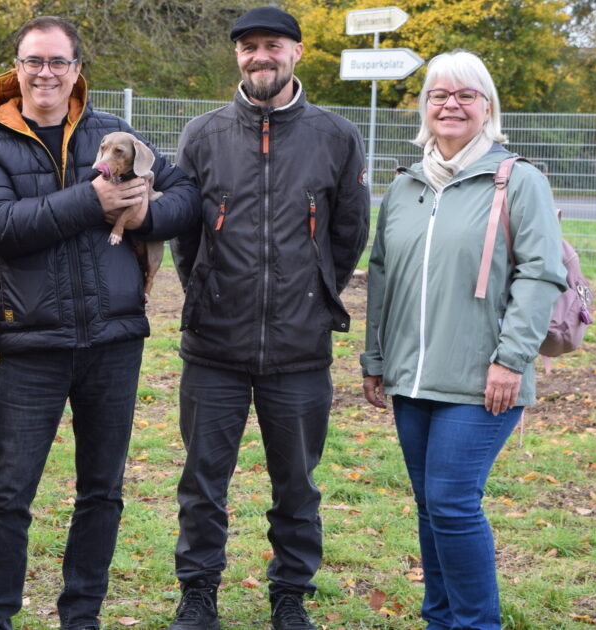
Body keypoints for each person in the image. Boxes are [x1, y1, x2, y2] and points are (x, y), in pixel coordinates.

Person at [0, 15, 199, 630]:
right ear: (17, 68)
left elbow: (187, 197)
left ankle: (81, 616)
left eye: (58, 62)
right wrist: (91, 201)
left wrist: (142, 217)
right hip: (32, 343)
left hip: (114, 341)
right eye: (33, 61)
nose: (45, 73)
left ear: (75, 71)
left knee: (102, 491)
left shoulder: (111, 131)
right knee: (9, 493)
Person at [167, 6, 370, 629]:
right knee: (202, 485)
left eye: (273, 46)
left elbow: (348, 233)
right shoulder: (201, 135)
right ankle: (198, 593)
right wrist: (211, 294)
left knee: (297, 486)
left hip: (299, 351)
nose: (261, 56)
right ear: (237, 56)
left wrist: (310, 294)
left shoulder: (335, 136)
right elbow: (184, 236)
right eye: (249, 47)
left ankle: (290, 595)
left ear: (297, 53)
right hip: (214, 350)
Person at [360, 50, 567, 630]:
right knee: (431, 510)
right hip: (410, 377)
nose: (451, 104)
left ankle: (477, 624)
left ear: (487, 107)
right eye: (438, 95)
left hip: (484, 379)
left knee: (451, 503)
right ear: (425, 108)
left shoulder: (517, 179)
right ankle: (440, 619)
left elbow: (540, 274)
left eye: (465, 95)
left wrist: (510, 359)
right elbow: (381, 274)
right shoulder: (404, 186)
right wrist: (375, 358)